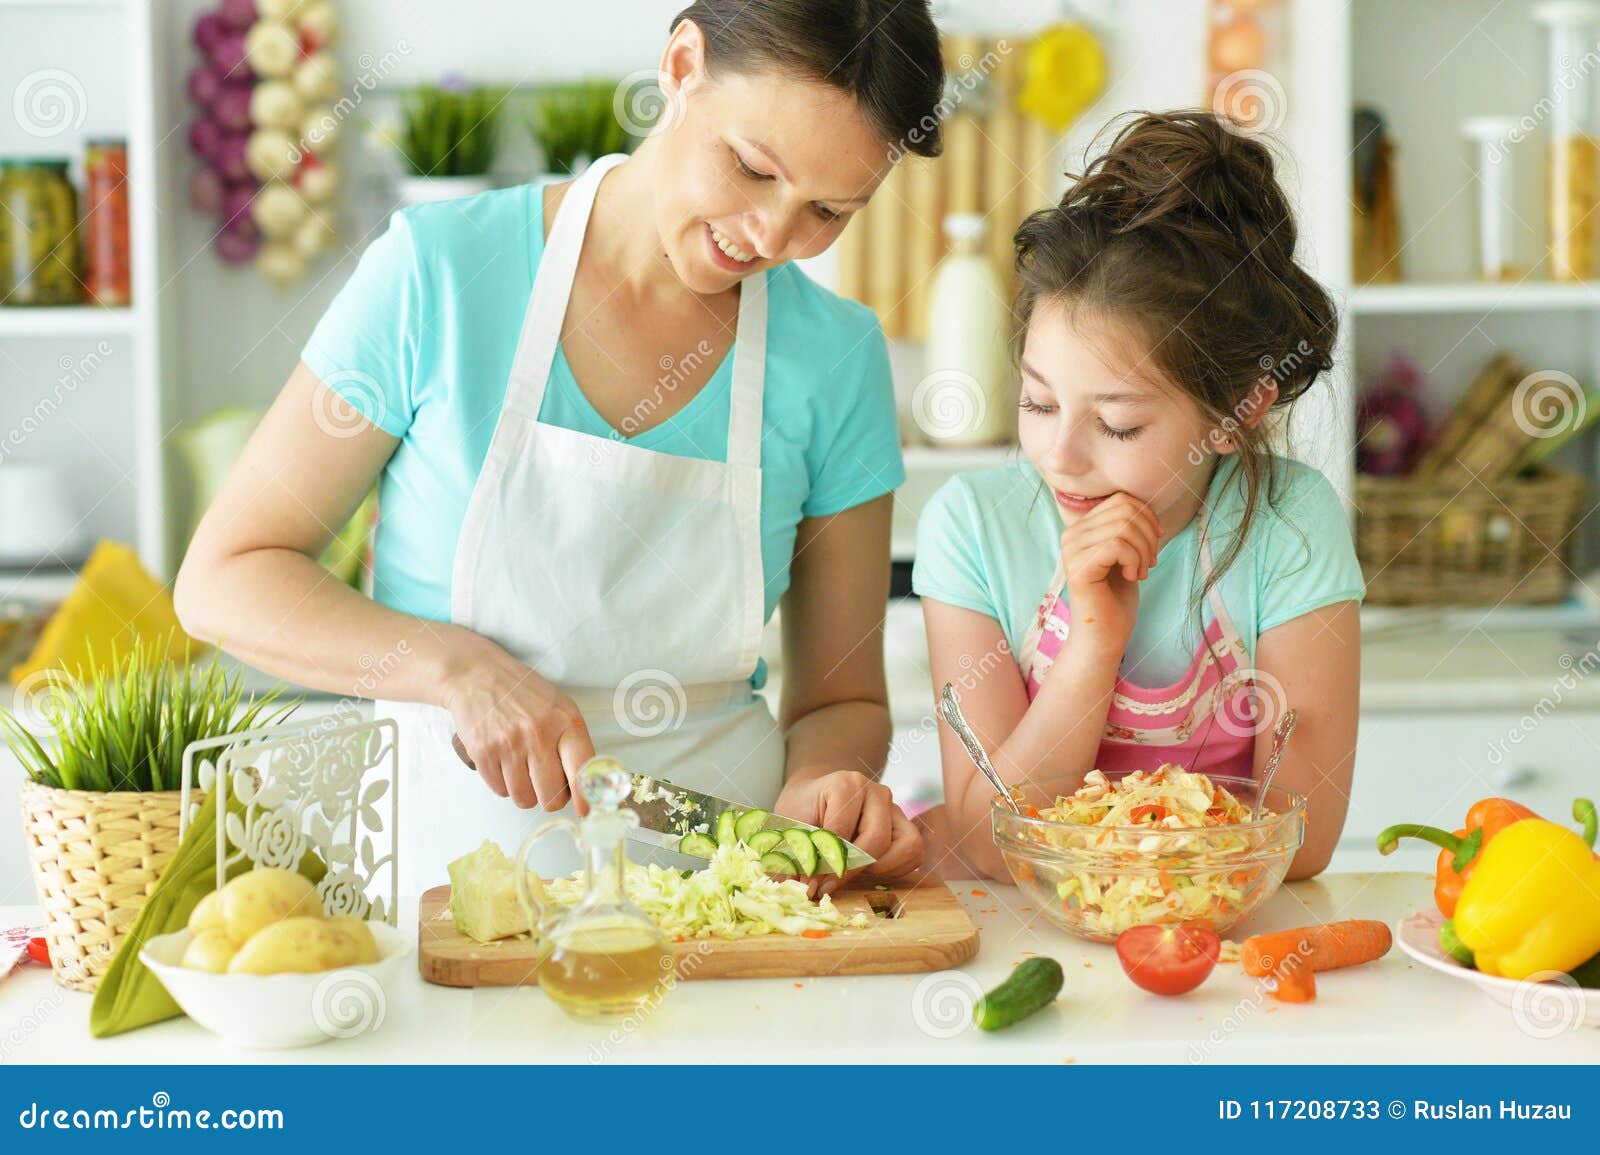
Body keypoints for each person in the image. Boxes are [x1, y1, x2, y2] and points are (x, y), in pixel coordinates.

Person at [175, 0, 944, 894]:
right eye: (752, 168)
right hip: (444, 896)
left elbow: (841, 701)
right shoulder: (440, 272)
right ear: (682, 66)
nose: (772, 235)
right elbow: (226, 577)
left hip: (724, 909)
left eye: (828, 211)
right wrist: (454, 668)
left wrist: (823, 787)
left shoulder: (837, 358)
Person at [912, 111, 1363, 882]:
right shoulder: (972, 526)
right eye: (1039, 403)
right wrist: (1095, 639)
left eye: (1117, 424)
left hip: (1220, 942)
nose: (1060, 457)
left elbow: (1303, 837)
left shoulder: (1291, 522)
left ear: (1239, 410)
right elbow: (990, 845)